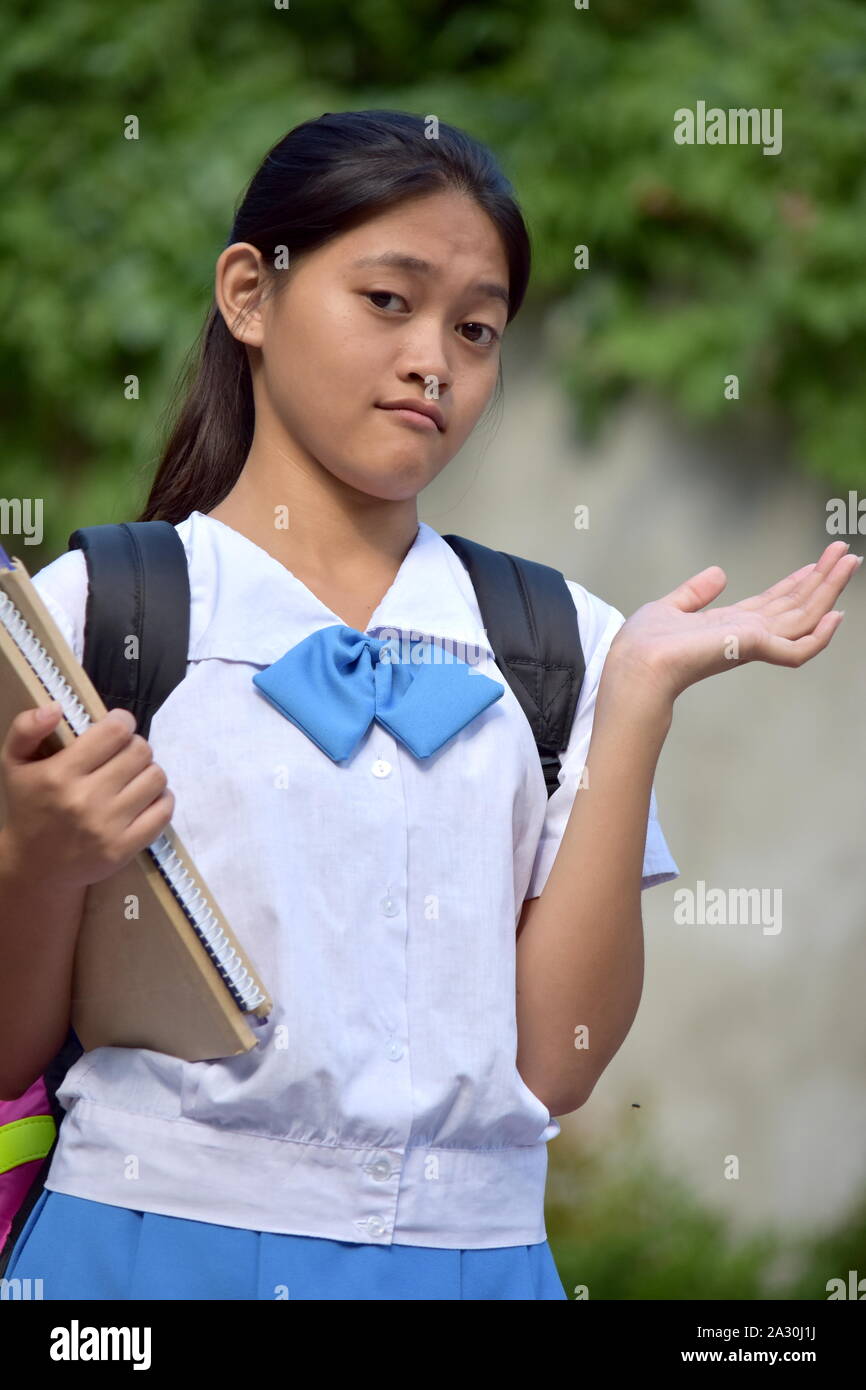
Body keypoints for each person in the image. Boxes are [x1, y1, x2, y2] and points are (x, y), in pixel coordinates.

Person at [0, 110, 857, 1301]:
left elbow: (556, 1064)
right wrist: (38, 857)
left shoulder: (563, 642)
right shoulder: (107, 608)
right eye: (387, 302)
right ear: (248, 294)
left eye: (476, 327)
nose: (433, 361)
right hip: (149, 1248)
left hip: (475, 1265)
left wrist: (639, 699)